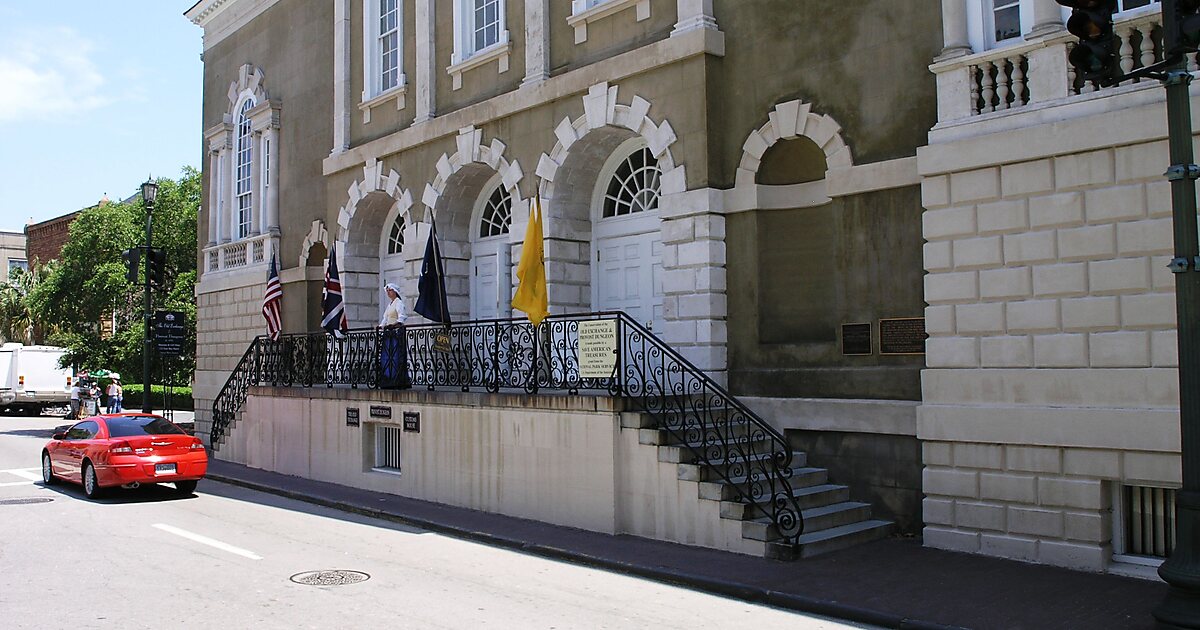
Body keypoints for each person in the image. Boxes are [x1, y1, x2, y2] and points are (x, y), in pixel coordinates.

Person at [379, 282, 410, 389]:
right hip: (389, 334)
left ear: (395, 292)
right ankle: (388, 377)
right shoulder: (390, 304)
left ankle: (396, 378)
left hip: (395, 333)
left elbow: (402, 317)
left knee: (395, 356)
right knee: (387, 356)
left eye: (390, 290)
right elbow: (385, 318)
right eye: (387, 291)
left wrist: (395, 325)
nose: (388, 293)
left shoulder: (398, 303)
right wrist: (381, 326)